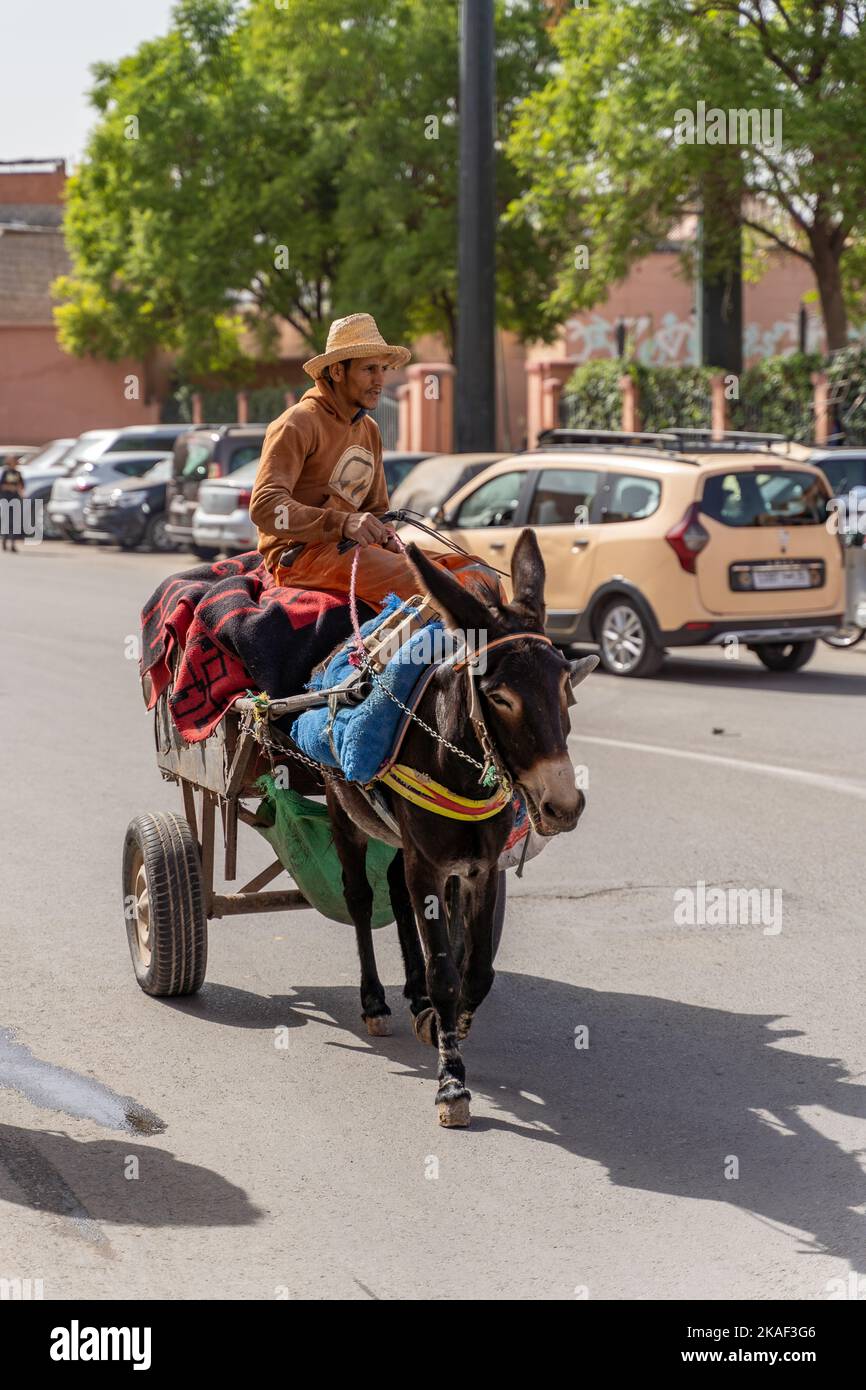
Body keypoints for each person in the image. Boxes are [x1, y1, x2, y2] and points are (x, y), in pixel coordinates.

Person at [249, 313, 498, 608]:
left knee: (481, 577)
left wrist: (386, 536)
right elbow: (265, 507)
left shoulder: (370, 430)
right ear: (338, 371)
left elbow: (376, 510)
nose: (380, 380)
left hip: (352, 550)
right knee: (427, 587)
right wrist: (343, 523)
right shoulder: (298, 422)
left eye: (383, 368)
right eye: (369, 369)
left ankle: (483, 655)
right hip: (302, 557)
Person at [0, 453, 25, 553]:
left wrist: (21, 493)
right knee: (7, 521)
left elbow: (21, 486)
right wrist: (11, 488)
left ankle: (13, 543)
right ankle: (5, 540)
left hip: (15, 499)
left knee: (15, 522)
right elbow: (2, 486)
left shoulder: (17, 473)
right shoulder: (5, 473)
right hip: (6, 499)